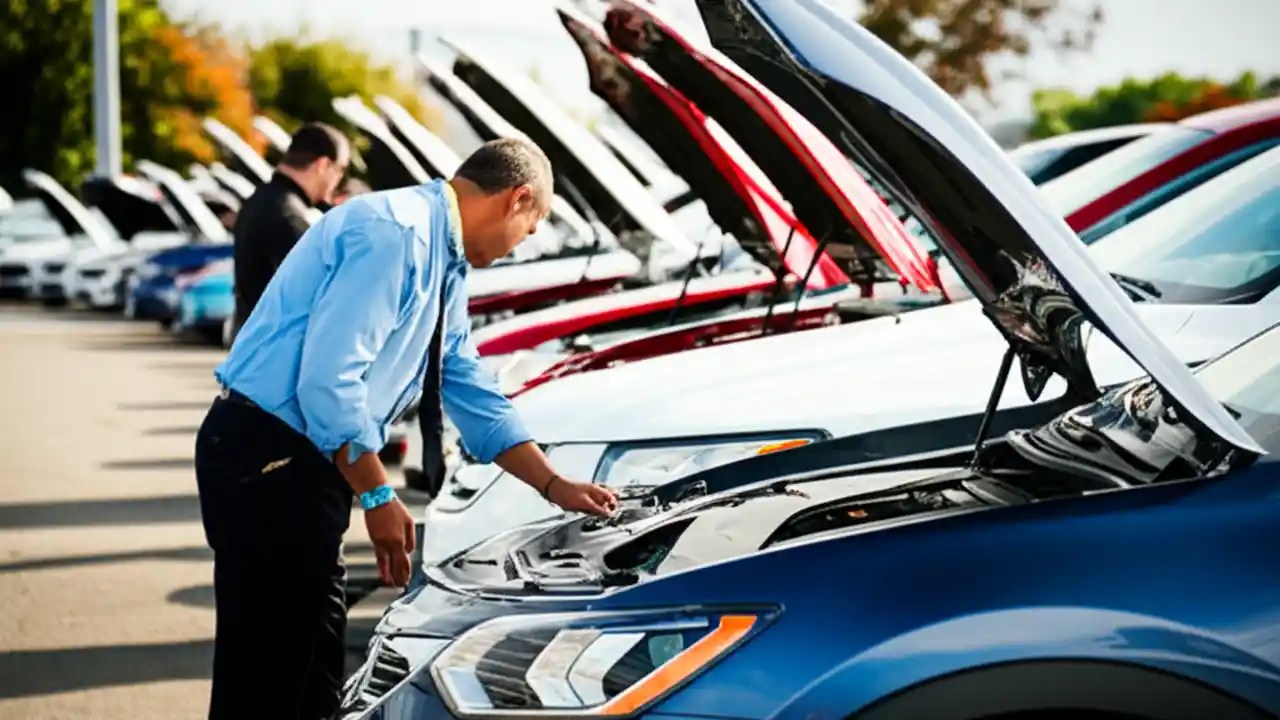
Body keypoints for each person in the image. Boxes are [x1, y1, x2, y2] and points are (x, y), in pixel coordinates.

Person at [194, 137, 619, 720]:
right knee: (268, 680)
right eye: (532, 226)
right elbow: (328, 381)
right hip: (270, 454)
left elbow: (463, 377)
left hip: (302, 460)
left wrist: (551, 483)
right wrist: (376, 492)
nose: (524, 245)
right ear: (517, 199)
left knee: (310, 669)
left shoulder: (441, 252)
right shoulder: (397, 235)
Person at [232, 122, 350, 331]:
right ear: (323, 165)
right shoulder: (289, 216)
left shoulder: (259, 201)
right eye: (340, 170)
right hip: (276, 352)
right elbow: (319, 295)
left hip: (252, 344)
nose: (339, 180)